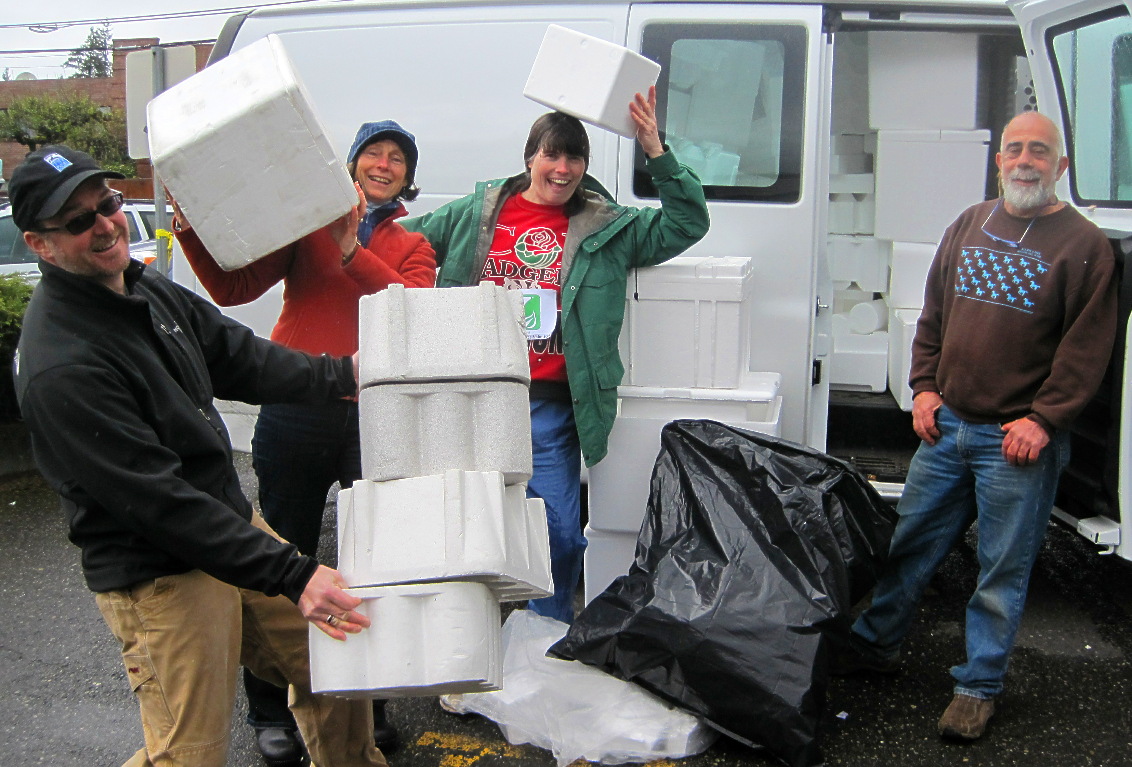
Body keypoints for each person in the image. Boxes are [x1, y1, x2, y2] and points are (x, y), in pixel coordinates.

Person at [9, 144, 388, 767]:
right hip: (160, 572)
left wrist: (344, 373)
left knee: (338, 664)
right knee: (191, 753)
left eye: (106, 204)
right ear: (40, 244)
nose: (104, 225)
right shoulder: (63, 364)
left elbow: (238, 356)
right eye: (77, 220)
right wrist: (295, 575)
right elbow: (161, 503)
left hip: (227, 526)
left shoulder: (143, 288)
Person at [838, 112, 1117, 742]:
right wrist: (924, 389)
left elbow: (1085, 351)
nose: (1025, 161)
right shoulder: (970, 222)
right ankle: (873, 647)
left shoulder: (1084, 246)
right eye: (1014, 149)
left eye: (1039, 151)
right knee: (908, 547)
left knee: (1000, 572)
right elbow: (933, 314)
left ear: (1060, 166)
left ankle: (977, 688)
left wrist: (1044, 420)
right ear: (998, 162)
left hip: (1016, 443)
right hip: (948, 428)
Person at [174, 120, 435, 764]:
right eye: (373, 153)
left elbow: (413, 311)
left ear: (407, 177)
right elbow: (234, 287)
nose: (384, 164)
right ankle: (270, 711)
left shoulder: (413, 244)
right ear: (351, 165)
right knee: (278, 552)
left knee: (373, 560)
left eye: (397, 158)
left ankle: (366, 705)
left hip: (374, 416)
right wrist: (189, 231)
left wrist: (351, 252)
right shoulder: (305, 227)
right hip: (295, 407)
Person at [402, 88, 709, 622]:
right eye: (552, 155)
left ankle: (544, 640)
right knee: (461, 531)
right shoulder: (477, 212)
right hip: (472, 398)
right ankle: (462, 639)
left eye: (574, 157)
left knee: (560, 535)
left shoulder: (608, 227)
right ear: (530, 158)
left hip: (547, 406)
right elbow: (400, 245)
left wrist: (655, 150)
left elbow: (686, 223)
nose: (563, 169)